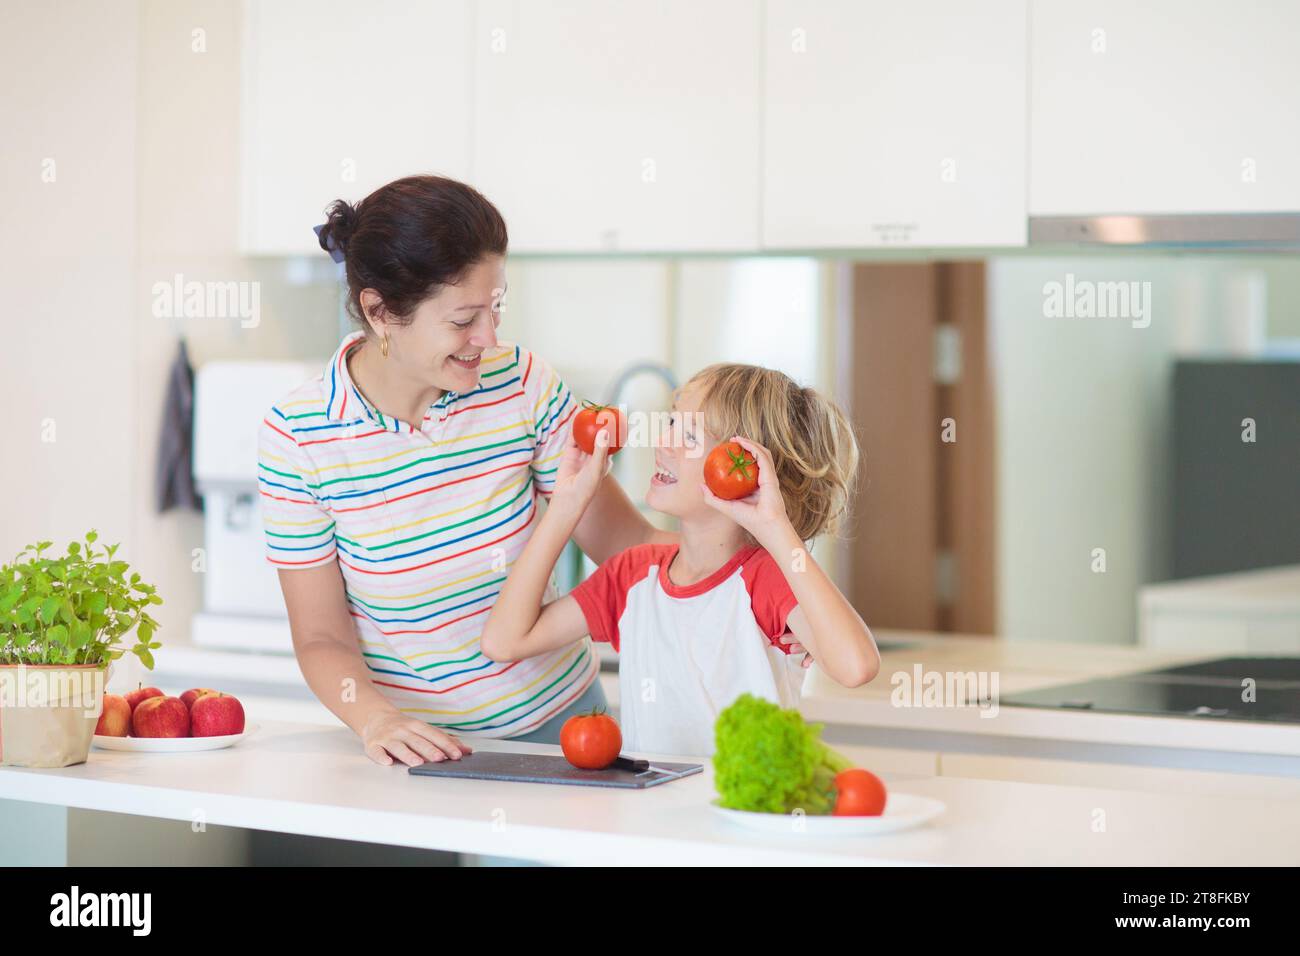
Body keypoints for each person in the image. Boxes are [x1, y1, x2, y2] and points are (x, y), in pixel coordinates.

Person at [256, 175, 675, 767]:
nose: (489, 337)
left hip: (566, 728)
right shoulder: (300, 435)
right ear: (380, 311)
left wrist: (764, 569)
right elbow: (322, 637)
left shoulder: (522, 382)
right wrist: (376, 718)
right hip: (412, 746)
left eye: (496, 308)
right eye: (463, 320)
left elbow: (628, 547)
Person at [480, 364, 879, 756]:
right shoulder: (634, 574)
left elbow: (855, 667)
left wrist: (775, 527)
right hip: (653, 816)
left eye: (689, 435)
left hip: (741, 814)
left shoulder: (765, 577)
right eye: (672, 423)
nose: (664, 442)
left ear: (746, 470)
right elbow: (504, 640)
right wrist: (565, 507)